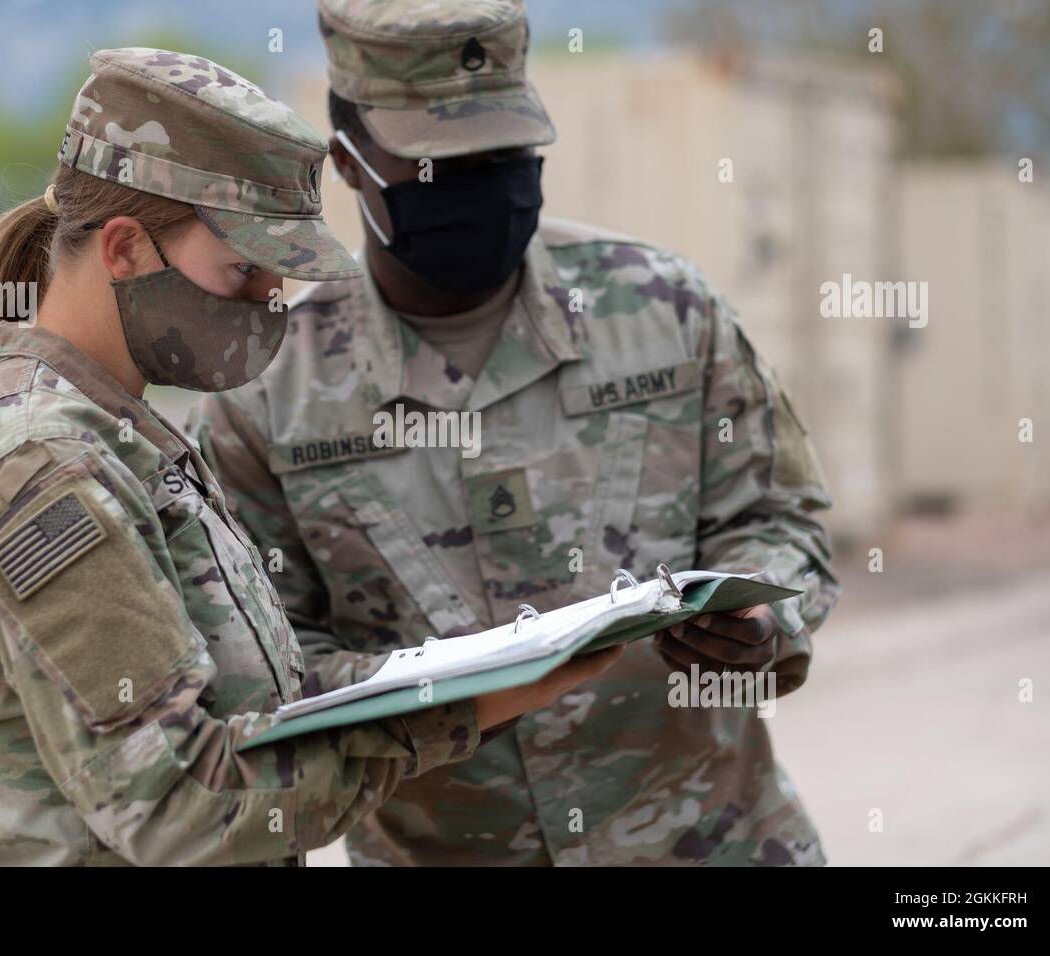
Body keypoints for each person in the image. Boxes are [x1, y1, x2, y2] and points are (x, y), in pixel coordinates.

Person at [0, 46, 620, 867]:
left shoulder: (117, 435)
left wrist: (476, 674)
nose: (268, 303)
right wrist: (456, 716)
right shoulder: (42, 461)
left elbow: (255, 707)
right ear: (123, 249)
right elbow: (176, 804)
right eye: (242, 271)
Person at [193, 1, 841, 866]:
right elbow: (264, 666)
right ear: (347, 162)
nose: (482, 187)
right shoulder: (267, 396)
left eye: (505, 156)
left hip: (710, 842)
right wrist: (437, 693)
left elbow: (782, 518)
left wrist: (763, 620)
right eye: (437, 166)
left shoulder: (661, 308)